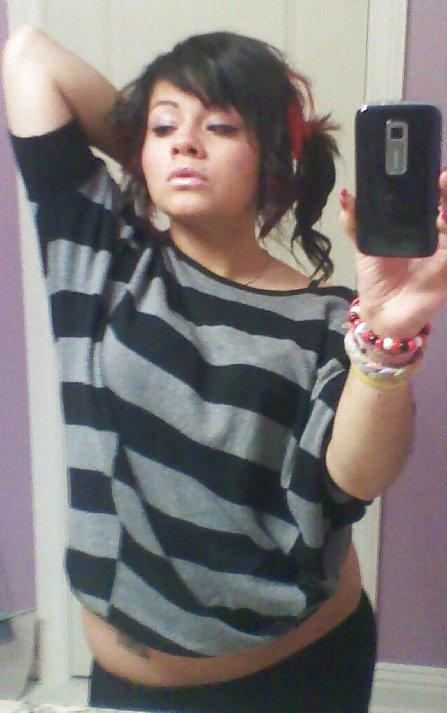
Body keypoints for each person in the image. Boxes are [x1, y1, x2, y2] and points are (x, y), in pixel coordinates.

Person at [3, 25, 447, 713]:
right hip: (132, 689)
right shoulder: (104, 255)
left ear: (272, 160)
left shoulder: (331, 319)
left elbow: (357, 479)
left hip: (305, 674)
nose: (184, 141)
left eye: (220, 126)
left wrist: (386, 335)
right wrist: (159, 147)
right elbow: (28, 56)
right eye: (162, 127)